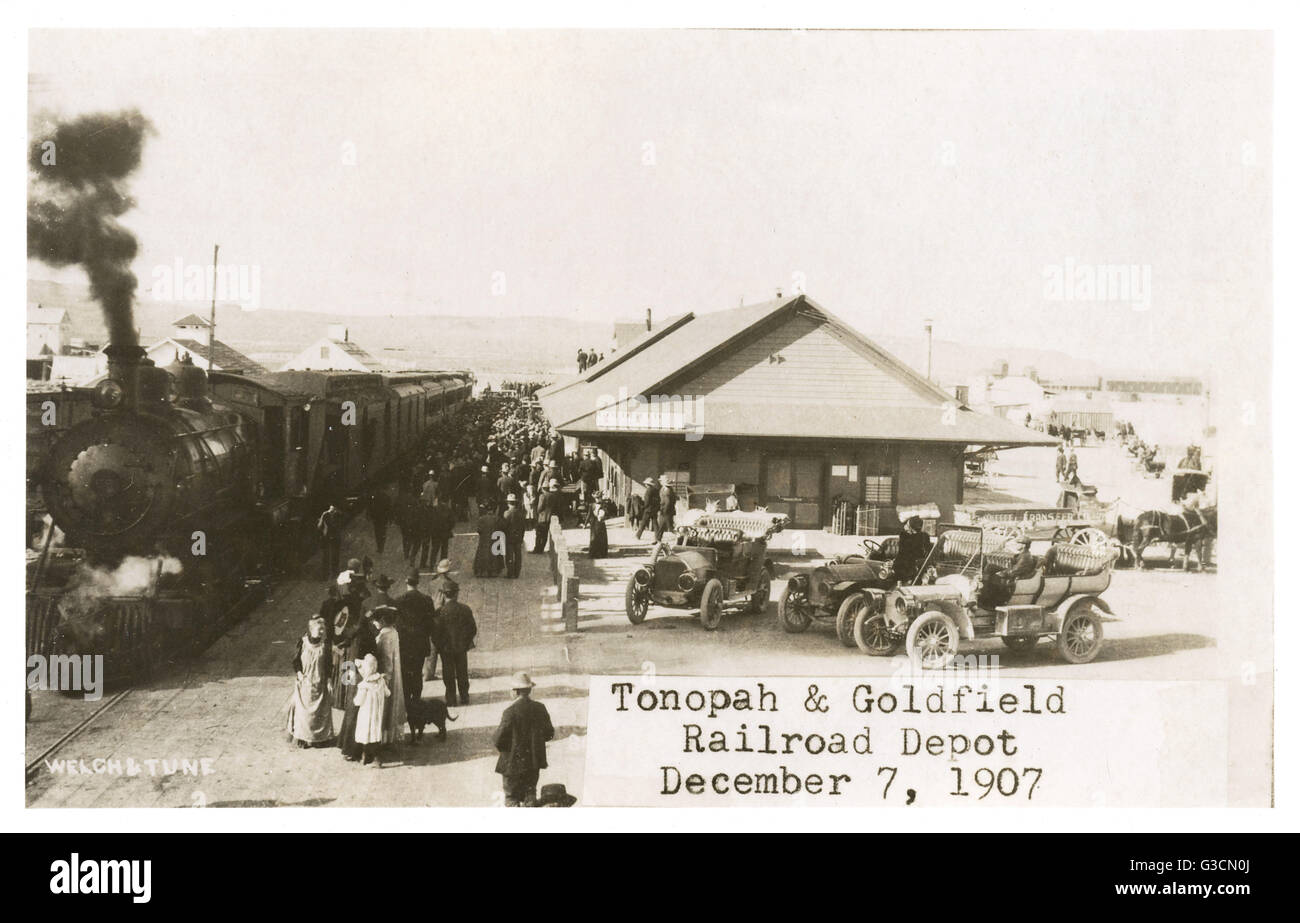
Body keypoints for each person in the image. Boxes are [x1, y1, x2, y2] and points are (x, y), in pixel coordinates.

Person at [493, 672, 555, 807]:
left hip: (511, 766)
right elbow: (549, 733)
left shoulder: (509, 712)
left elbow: (498, 740)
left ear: (515, 692)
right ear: (529, 689)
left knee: (511, 799)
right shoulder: (540, 708)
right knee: (530, 795)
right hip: (533, 764)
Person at [333, 590, 377, 760]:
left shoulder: (352, 632)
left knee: (351, 711)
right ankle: (354, 749)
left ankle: (346, 745)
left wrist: (346, 680)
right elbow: (371, 657)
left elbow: (347, 655)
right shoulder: (367, 636)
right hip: (362, 678)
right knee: (359, 713)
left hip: (352, 675)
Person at [288, 615, 334, 748]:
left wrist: (329, 680)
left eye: (323, 629)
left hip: (320, 682)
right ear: (311, 628)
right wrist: (299, 674)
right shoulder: (302, 643)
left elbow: (329, 664)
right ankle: (303, 738)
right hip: (306, 682)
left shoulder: (325, 645)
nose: (322, 632)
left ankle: (319, 739)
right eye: (319, 629)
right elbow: (296, 661)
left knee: (320, 712)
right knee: (304, 713)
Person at [394, 571, 436, 707]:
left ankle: (406, 700)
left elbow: (396, 623)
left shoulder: (399, 600)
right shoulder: (427, 600)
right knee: (418, 672)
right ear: (418, 582)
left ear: (406, 583)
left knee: (405, 672)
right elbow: (431, 623)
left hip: (404, 644)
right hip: (420, 643)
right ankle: (416, 699)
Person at [435, 582, 476, 706]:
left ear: (444, 595)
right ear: (456, 594)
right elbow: (472, 629)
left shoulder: (439, 612)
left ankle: (451, 699)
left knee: (448, 673)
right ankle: (464, 696)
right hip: (461, 647)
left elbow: (435, 633)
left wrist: (440, 646)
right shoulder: (465, 609)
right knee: (462, 672)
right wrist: (465, 642)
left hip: (446, 649)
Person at [371, 605, 407, 746]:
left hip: (387, 676)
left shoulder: (384, 636)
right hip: (394, 673)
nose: (374, 623)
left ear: (383, 621)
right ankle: (390, 735)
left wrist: (386, 677)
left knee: (385, 707)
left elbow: (386, 659)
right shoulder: (394, 632)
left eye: (376, 620)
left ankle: (384, 737)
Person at [352, 654, 389, 766]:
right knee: (375, 734)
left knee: (365, 734)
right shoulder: (381, 681)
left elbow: (358, 701)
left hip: (366, 715)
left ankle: (364, 756)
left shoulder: (364, 685)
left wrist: (354, 700)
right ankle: (377, 758)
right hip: (377, 714)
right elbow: (388, 693)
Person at [893, 516, 933, 584]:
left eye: (907, 525)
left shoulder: (920, 536)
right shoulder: (905, 535)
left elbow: (904, 552)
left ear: (911, 528)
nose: (905, 526)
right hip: (909, 562)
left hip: (912, 563)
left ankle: (905, 581)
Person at [423, 496, 454, 569]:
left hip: (436, 533)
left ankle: (432, 565)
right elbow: (452, 521)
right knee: (444, 550)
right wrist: (449, 528)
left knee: (435, 549)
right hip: (445, 533)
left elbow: (430, 521)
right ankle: (443, 565)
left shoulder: (434, 509)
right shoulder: (448, 509)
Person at [317, 503, 344, 580]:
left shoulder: (326, 514)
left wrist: (322, 517)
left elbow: (319, 526)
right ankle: (334, 573)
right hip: (334, 537)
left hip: (328, 537)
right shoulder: (337, 514)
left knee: (326, 556)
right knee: (334, 555)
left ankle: (326, 575)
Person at [503, 493, 527, 578]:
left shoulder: (507, 513)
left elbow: (504, 526)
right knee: (518, 555)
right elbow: (523, 527)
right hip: (518, 537)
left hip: (509, 537)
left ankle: (510, 573)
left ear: (508, 503)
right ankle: (517, 573)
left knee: (509, 555)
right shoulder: (521, 513)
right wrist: (521, 536)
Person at [533, 479, 558, 553]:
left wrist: (537, 513)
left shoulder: (542, 496)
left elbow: (539, 507)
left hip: (542, 517)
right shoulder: (552, 496)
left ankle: (537, 549)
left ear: (543, 488)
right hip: (549, 517)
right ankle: (542, 548)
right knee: (545, 534)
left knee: (539, 534)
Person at [365, 488, 392, 554]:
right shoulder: (386, 497)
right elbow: (390, 509)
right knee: (382, 532)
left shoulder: (374, 497)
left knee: (377, 532)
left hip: (376, 517)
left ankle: (380, 547)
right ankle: (381, 547)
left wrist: (368, 515)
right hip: (383, 518)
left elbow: (370, 506)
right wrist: (390, 519)